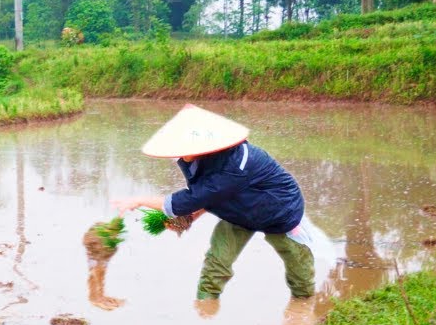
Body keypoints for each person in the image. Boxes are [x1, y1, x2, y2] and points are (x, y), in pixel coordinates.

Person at [111, 104, 318, 300]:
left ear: (203, 145)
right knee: (216, 263)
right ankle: (205, 307)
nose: (178, 153)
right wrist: (188, 218)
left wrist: (138, 200)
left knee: (299, 271)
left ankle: (304, 306)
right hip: (237, 213)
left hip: (279, 211)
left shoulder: (236, 165)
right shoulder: (192, 160)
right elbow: (207, 195)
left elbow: (193, 198)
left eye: (183, 147)